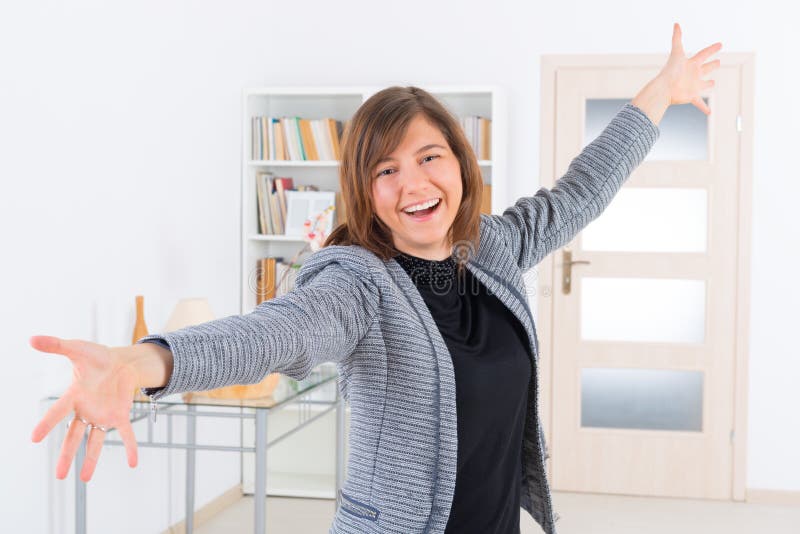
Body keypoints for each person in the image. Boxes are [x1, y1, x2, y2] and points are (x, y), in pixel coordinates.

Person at [30, 23, 721, 534]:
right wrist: (151, 361)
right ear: (363, 189)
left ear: (461, 164)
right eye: (385, 169)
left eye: (429, 157)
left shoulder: (494, 247)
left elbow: (582, 190)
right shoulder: (357, 282)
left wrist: (660, 93)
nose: (412, 184)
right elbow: (277, 333)